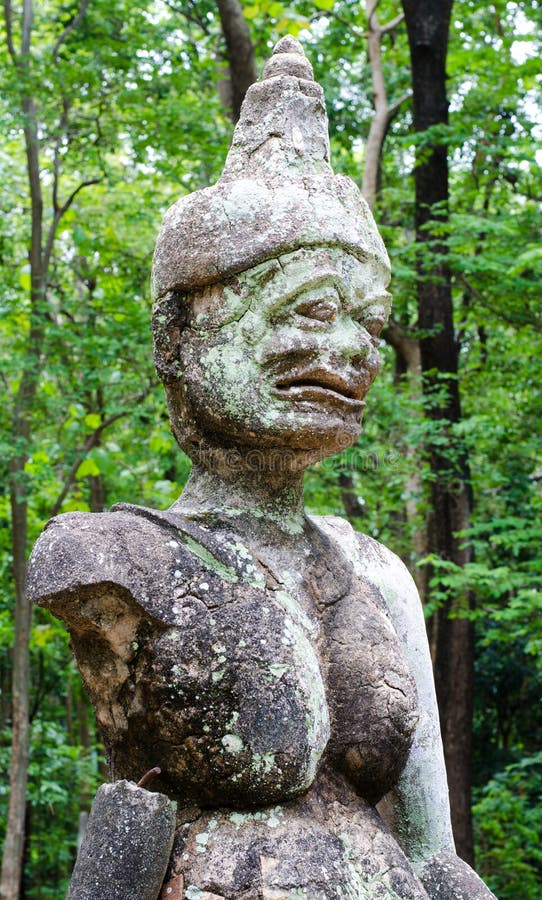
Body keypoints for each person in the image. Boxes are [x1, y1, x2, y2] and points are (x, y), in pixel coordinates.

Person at [27, 36, 496, 899]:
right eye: (314, 307)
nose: (350, 349)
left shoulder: (378, 574)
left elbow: (435, 853)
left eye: (369, 319)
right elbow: (128, 827)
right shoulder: (111, 558)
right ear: (181, 334)